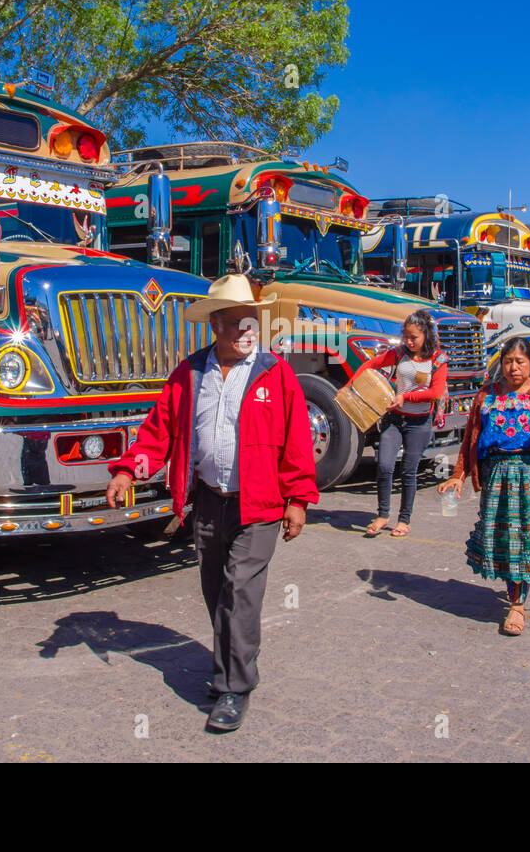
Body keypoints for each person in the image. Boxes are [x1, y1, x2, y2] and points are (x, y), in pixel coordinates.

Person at [105, 274, 318, 733]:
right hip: (209, 502)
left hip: (259, 506)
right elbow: (159, 430)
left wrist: (298, 499)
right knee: (215, 592)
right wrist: (128, 468)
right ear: (215, 325)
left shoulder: (275, 374)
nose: (248, 331)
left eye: (253, 322)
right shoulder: (190, 373)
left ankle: (235, 688)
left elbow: (297, 441)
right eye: (238, 323)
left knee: (240, 592)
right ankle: (227, 669)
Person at [437, 337, 530, 636]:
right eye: (508, 361)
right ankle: (516, 595)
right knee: (506, 542)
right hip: (497, 479)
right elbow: (470, 441)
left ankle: (517, 606)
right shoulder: (485, 396)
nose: (513, 368)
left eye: (520, 362)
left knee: (525, 541)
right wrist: (458, 475)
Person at [350, 309, 448, 538]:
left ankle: (404, 520)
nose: (409, 341)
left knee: (409, 471)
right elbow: (369, 365)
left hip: (419, 422)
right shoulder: (398, 354)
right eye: (406, 336)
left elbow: (435, 393)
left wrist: (405, 397)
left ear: (425, 335)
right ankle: (382, 515)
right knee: (384, 466)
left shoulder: (438, 359)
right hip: (394, 418)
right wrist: (353, 385)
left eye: (414, 337)